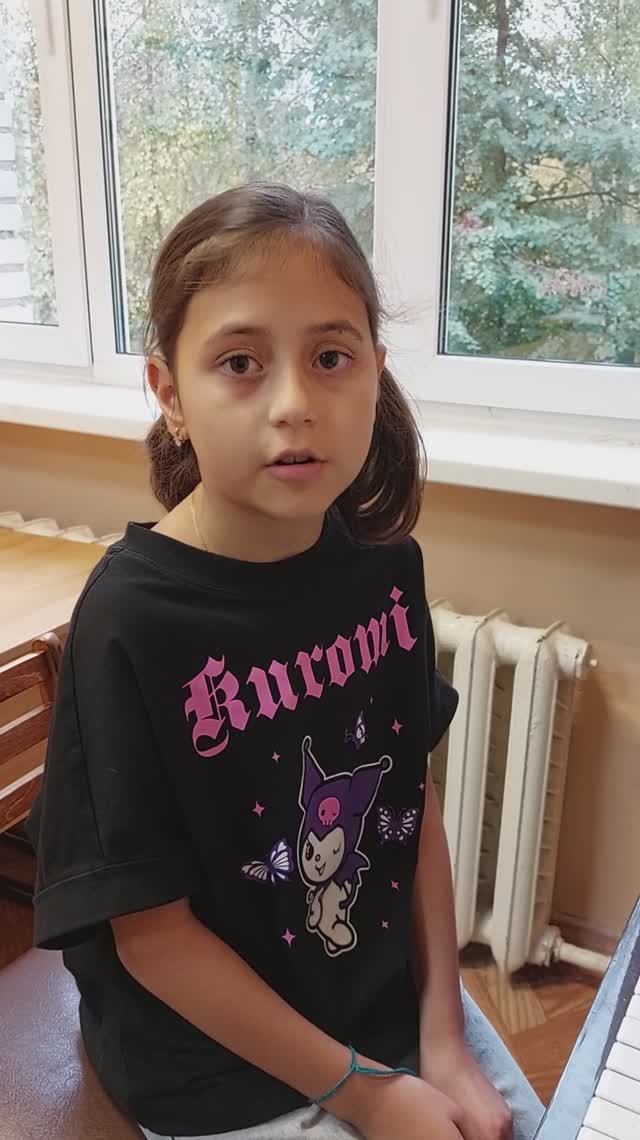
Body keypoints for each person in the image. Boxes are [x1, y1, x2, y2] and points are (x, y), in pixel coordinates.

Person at [27, 184, 544, 1140]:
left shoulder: (386, 567)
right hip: (208, 1060)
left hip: (380, 1007)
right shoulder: (131, 618)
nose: (296, 404)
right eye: (240, 363)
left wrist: (443, 1035)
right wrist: (368, 1093)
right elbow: (152, 936)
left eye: (331, 357)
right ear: (170, 394)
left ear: (376, 372)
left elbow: (409, 803)